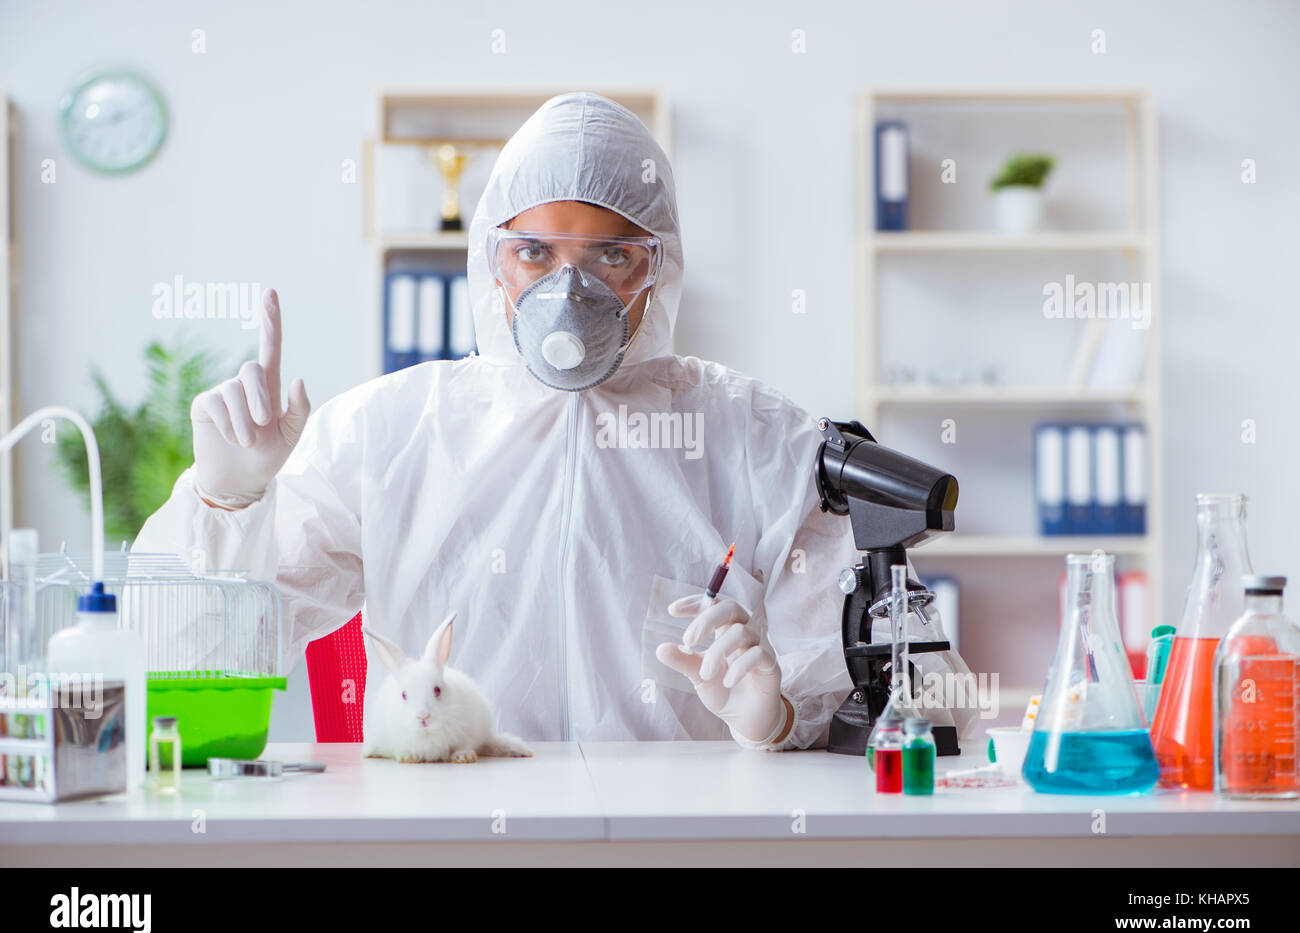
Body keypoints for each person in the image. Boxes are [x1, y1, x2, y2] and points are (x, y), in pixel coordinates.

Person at [135, 92, 974, 749]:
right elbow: (188, 669)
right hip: (443, 836)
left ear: (659, 266)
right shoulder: (390, 433)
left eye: (611, 254)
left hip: (684, 841)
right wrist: (225, 505)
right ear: (492, 260)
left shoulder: (755, 435)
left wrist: (779, 719)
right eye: (535, 252)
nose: (567, 293)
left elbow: (937, 709)